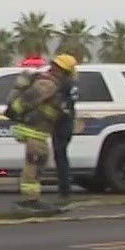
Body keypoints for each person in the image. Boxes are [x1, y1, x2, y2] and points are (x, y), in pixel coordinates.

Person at [6, 53, 76, 209]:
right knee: (35, 164)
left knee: (37, 163)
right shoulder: (48, 84)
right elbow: (28, 99)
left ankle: (31, 199)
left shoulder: (53, 83)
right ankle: (30, 200)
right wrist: (15, 110)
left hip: (39, 130)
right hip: (35, 130)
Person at [52, 68, 81, 205]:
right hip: (65, 122)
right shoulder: (71, 82)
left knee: (60, 156)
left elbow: (64, 105)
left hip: (63, 124)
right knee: (60, 156)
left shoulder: (65, 83)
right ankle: (64, 189)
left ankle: (65, 191)